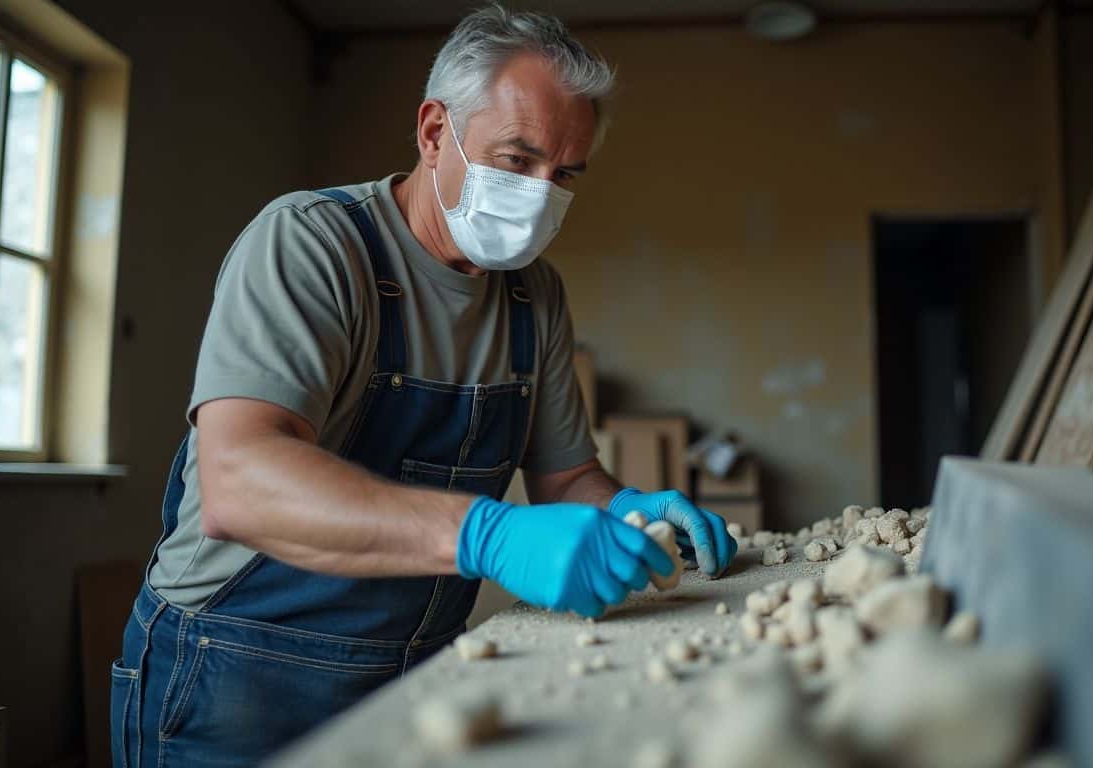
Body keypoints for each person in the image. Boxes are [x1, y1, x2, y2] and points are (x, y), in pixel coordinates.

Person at [109, 6, 737, 766]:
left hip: (418, 668)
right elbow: (241, 481)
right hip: (235, 669)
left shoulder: (534, 295)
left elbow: (567, 475)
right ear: (435, 131)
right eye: (517, 159)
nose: (541, 195)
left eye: (565, 173)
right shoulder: (312, 243)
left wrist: (631, 514)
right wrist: (487, 533)